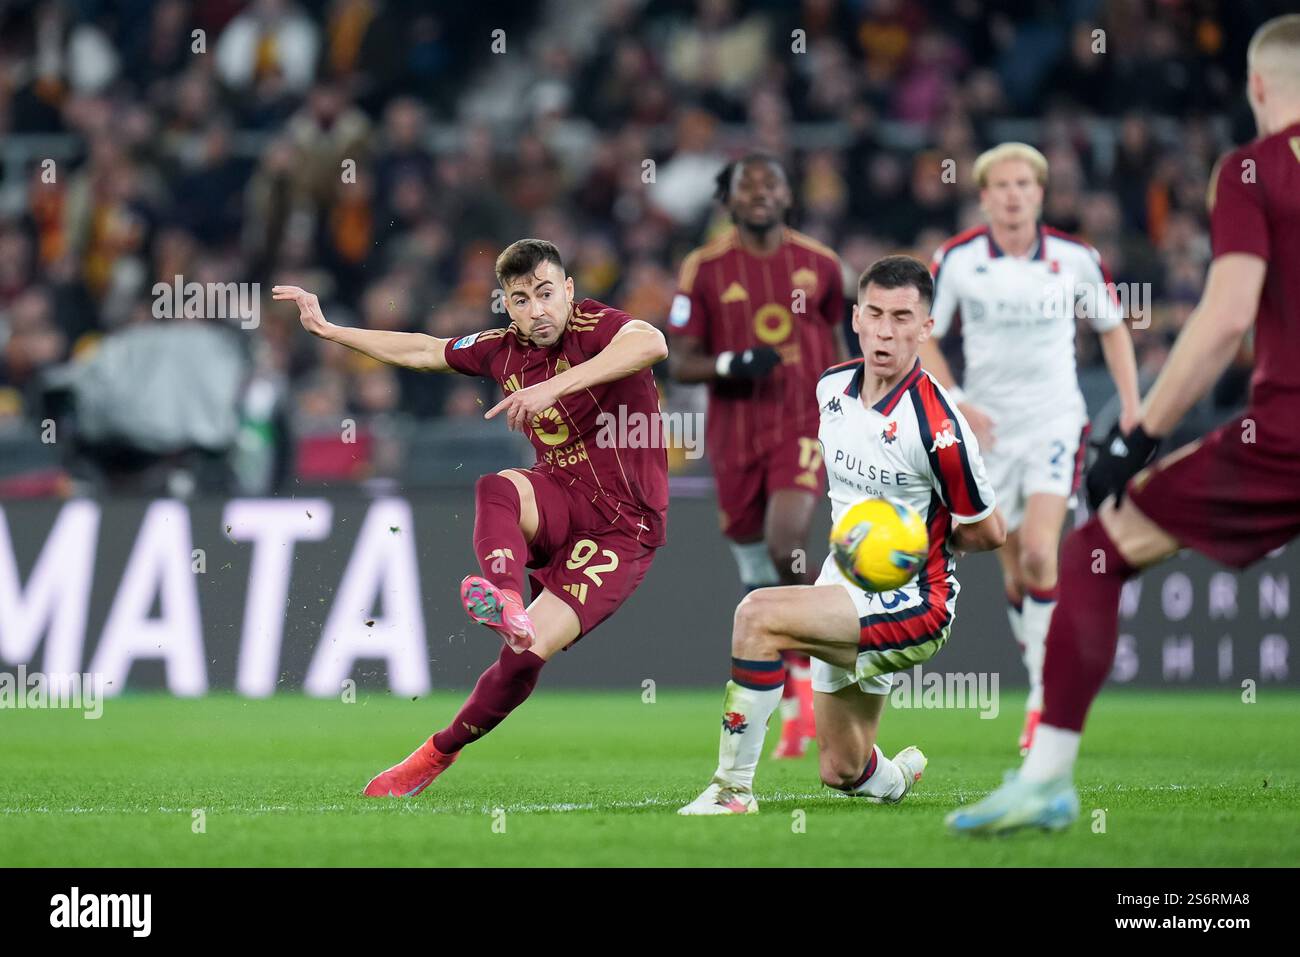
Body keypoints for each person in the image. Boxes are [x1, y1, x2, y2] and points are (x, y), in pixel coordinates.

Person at [947, 14, 1300, 834]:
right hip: (1009, 424)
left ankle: (1045, 777)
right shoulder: (966, 261)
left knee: (1091, 551)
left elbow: (1223, 319)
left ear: (1254, 87)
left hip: (1285, 438)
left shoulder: (1253, 172)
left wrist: (1138, 434)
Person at [273, 237, 669, 797]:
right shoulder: (501, 349)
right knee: (497, 487)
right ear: (506, 304)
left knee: (525, 657)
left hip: (624, 526)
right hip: (563, 493)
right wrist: (333, 331)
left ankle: (437, 752)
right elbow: (422, 349)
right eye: (522, 300)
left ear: (569, 291)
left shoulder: (596, 326)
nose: (538, 311)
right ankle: (506, 599)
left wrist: (553, 386)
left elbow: (650, 342)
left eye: (547, 294)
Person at [678, 255, 1004, 815]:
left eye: (903, 318)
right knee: (843, 769)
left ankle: (732, 792)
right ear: (855, 318)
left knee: (757, 615)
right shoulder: (831, 388)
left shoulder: (939, 427)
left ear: (925, 329)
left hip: (914, 601)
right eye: (874, 313)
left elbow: (989, 531)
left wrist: (907, 549)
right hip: (843, 583)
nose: (885, 330)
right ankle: (897, 776)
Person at [919, 142, 1140, 754]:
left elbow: (1113, 329)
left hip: (1054, 421)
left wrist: (1132, 406)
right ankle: (1042, 677)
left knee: (1043, 553)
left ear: (1040, 193)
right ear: (984, 196)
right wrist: (957, 398)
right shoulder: (958, 259)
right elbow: (925, 334)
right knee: (1014, 569)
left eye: (1025, 184)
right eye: (1002, 186)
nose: (1014, 195)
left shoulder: (1073, 258)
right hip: (988, 431)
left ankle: (1044, 701)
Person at [668, 153, 847, 758]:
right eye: (749, 186)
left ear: (788, 194)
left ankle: (814, 680)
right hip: (734, 434)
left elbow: (843, 348)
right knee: (754, 569)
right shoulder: (705, 269)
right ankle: (795, 688)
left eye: (772, 183)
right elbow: (680, 357)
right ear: (730, 199)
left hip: (803, 422)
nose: (761, 193)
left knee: (785, 540)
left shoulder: (821, 266)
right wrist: (731, 364)